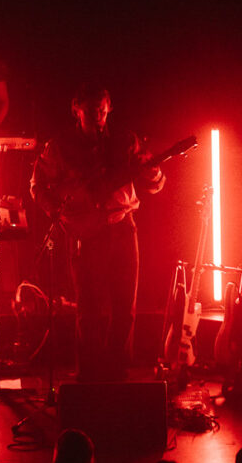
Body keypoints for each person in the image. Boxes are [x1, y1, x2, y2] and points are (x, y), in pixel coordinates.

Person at [31, 84, 164, 382]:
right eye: (91, 112)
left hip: (123, 226)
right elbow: (38, 187)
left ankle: (117, 370)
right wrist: (60, 213)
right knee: (88, 309)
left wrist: (153, 173)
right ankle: (89, 374)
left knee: (124, 306)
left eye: (102, 112)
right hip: (87, 233)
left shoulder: (125, 141)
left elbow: (153, 183)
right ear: (76, 109)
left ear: (109, 108)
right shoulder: (60, 146)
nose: (98, 118)